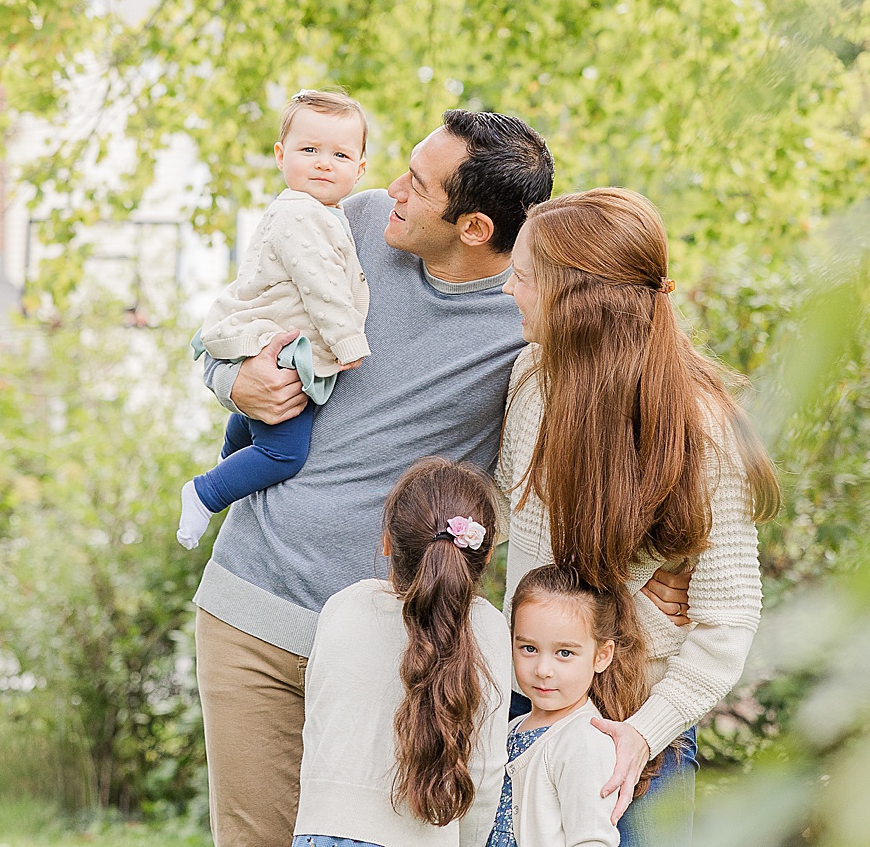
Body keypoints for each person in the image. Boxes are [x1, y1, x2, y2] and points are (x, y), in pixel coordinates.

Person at [192, 109, 555, 847]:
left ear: (475, 228)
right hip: (252, 608)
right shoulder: (345, 224)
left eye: (417, 186)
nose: (388, 187)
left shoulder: (526, 319)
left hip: (392, 641)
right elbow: (227, 325)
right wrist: (234, 384)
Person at [495, 187, 782, 842]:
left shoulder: (700, 429)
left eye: (526, 276)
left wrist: (641, 733)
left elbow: (727, 620)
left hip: (637, 732)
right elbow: (510, 510)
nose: (509, 288)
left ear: (576, 300)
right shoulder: (531, 379)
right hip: (528, 715)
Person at [178, 90, 374, 550]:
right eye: (309, 150)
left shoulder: (326, 212)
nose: (324, 163)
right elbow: (321, 285)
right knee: (283, 453)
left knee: (251, 427)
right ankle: (207, 492)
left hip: (274, 337)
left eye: (340, 154)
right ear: (281, 156)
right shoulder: (299, 212)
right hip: (276, 344)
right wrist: (348, 343)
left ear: (360, 168)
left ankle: (230, 461)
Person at [294, 458, 511, 847]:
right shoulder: (489, 628)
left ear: (387, 542)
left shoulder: (344, 606)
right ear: (487, 554)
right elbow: (484, 773)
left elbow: (319, 727)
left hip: (321, 831)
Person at [487, 565, 654, 847]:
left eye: (564, 653)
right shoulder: (512, 727)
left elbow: (592, 840)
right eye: (529, 648)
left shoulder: (585, 741)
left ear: (602, 656)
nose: (543, 669)